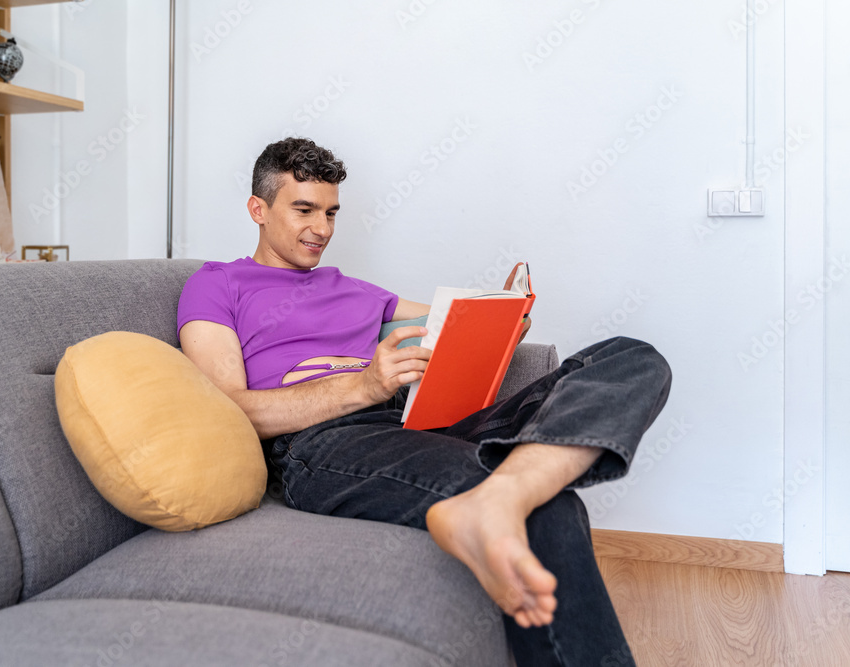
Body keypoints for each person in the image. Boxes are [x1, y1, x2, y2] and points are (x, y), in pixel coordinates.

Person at [177, 137, 671, 666]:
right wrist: (364, 385)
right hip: (325, 441)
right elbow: (229, 408)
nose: (321, 229)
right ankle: (507, 496)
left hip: (417, 422)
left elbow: (451, 325)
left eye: (331, 213)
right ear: (258, 209)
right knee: (551, 506)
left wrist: (503, 317)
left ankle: (501, 497)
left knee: (633, 358)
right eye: (304, 209)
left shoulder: (354, 288)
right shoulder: (217, 284)